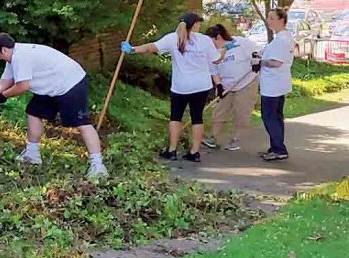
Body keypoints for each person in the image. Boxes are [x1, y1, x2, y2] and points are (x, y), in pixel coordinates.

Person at [0, 33, 108, 179]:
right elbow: (3, 83)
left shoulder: (21, 57)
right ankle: (32, 154)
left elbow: (22, 86)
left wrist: (5, 95)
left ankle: (98, 166)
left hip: (71, 83)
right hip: (50, 85)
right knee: (33, 112)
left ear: (4, 49)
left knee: (81, 123)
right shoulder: (13, 59)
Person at [122, 11, 219, 162]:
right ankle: (194, 152)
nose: (199, 25)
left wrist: (132, 49)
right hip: (201, 86)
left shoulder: (173, 38)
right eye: (198, 23)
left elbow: (150, 48)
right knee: (197, 118)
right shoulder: (205, 40)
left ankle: (172, 150)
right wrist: (224, 50)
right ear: (194, 25)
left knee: (175, 117)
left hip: (181, 86)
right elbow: (216, 60)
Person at [205, 23, 260, 151]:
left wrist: (257, 62)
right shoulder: (212, 52)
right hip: (225, 85)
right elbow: (213, 70)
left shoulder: (241, 43)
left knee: (242, 112)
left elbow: (258, 53)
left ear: (218, 37)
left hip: (246, 82)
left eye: (211, 41)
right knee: (219, 110)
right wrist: (219, 85)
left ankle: (236, 139)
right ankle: (213, 137)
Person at [258, 8, 294, 161]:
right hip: (278, 83)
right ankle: (276, 146)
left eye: (272, 18)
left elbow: (276, 62)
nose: (269, 21)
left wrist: (260, 62)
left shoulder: (281, 40)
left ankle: (279, 148)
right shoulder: (284, 36)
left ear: (281, 20)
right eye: (268, 17)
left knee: (269, 116)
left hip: (272, 85)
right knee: (277, 116)